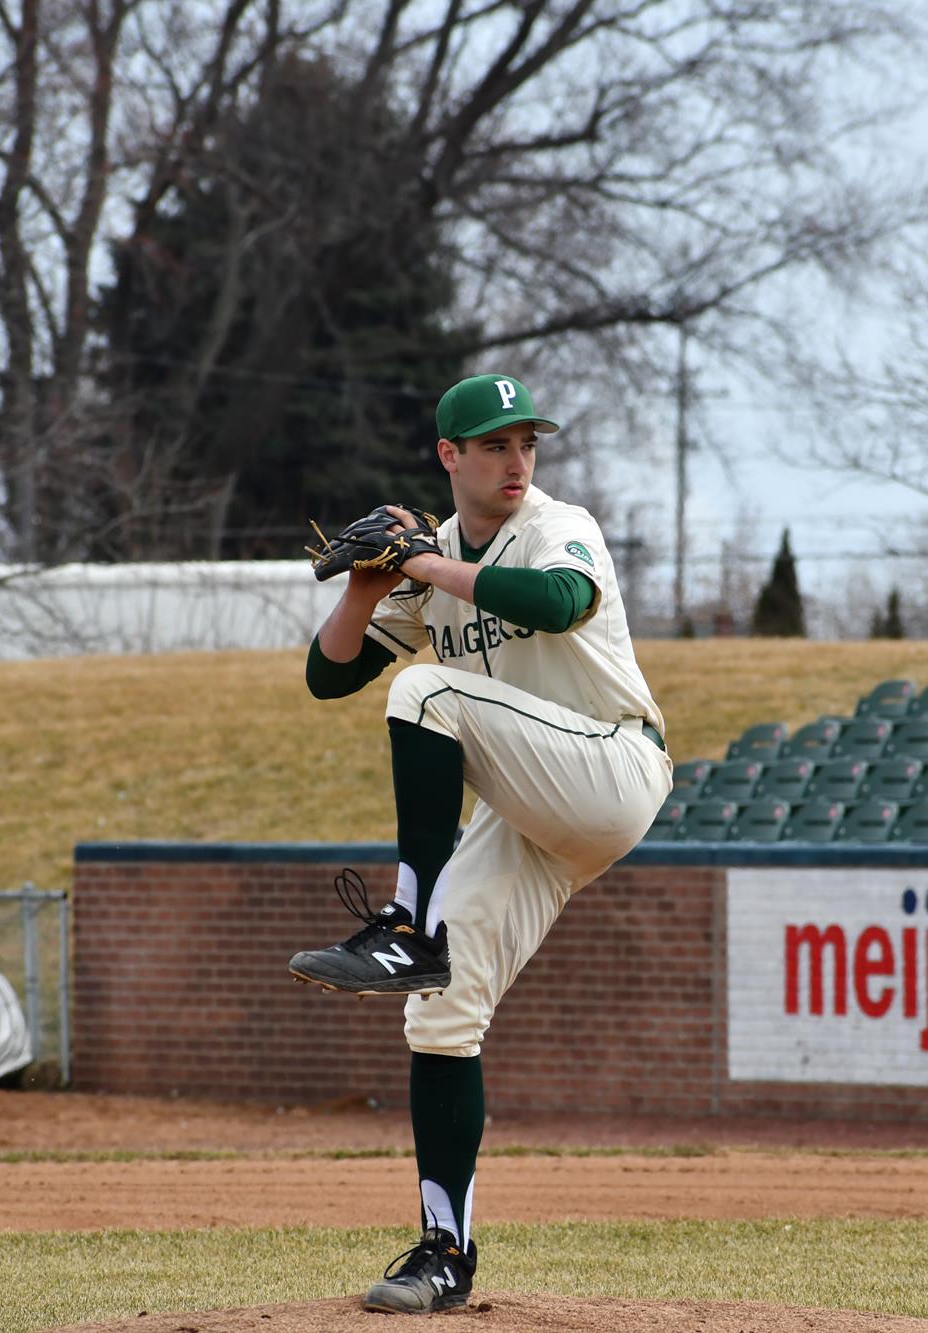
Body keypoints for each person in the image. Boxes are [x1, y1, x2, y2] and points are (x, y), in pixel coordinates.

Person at [289, 372, 672, 1313]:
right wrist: (369, 585)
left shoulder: (556, 522)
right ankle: (443, 1251)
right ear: (448, 457)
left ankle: (406, 923)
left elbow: (554, 602)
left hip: (614, 767)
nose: (516, 459)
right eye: (494, 444)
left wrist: (421, 568)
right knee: (439, 1015)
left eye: (526, 441)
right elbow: (326, 677)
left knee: (427, 693)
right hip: (531, 807)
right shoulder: (434, 561)